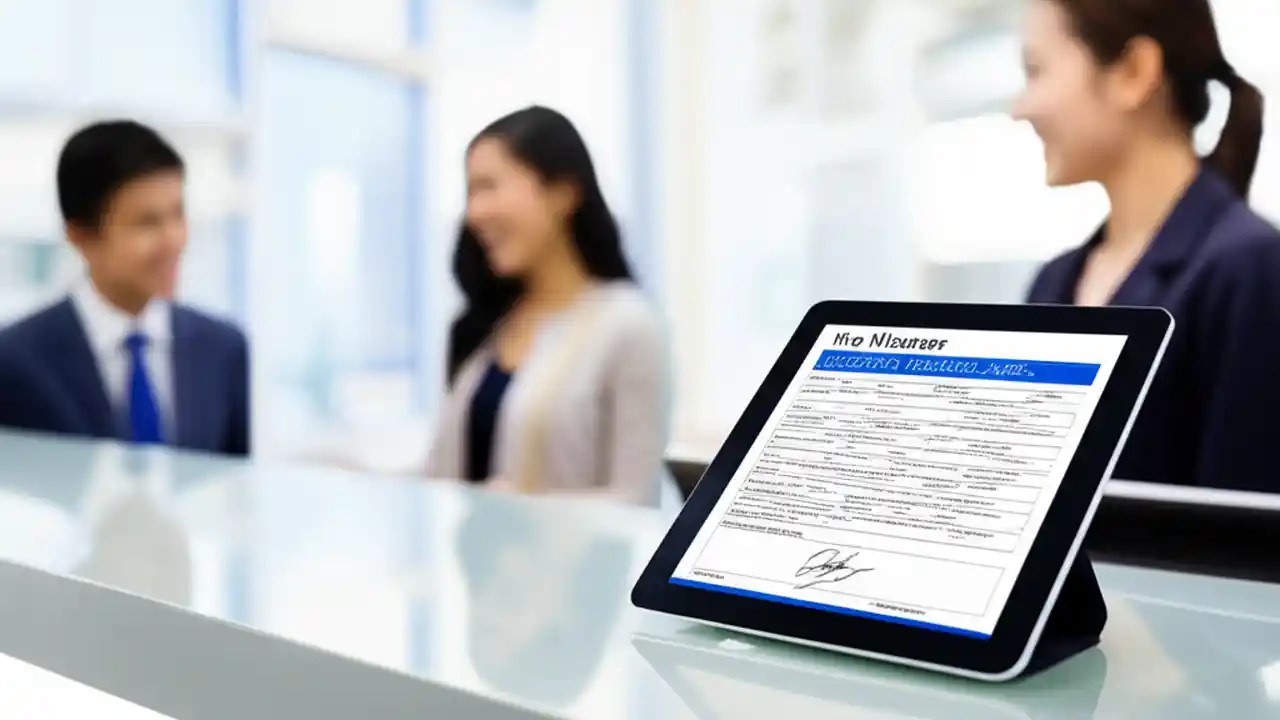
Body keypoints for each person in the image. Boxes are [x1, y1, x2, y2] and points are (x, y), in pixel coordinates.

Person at [1015, 0, 1279, 491]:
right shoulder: (1053, 283)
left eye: (1037, 71)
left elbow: (1243, 549)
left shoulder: (1249, 270)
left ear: (1134, 72)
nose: (1020, 108)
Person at [426, 106, 672, 505]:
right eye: (470, 192)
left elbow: (637, 499)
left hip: (578, 569)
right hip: (466, 567)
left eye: (488, 186)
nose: (474, 213)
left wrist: (525, 510)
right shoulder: (488, 322)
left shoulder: (628, 324)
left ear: (562, 192)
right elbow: (441, 476)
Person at [0, 121, 249, 457]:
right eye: (147, 223)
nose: (174, 240)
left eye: (178, 214)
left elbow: (236, 492)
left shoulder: (224, 350)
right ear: (81, 236)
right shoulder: (15, 361)